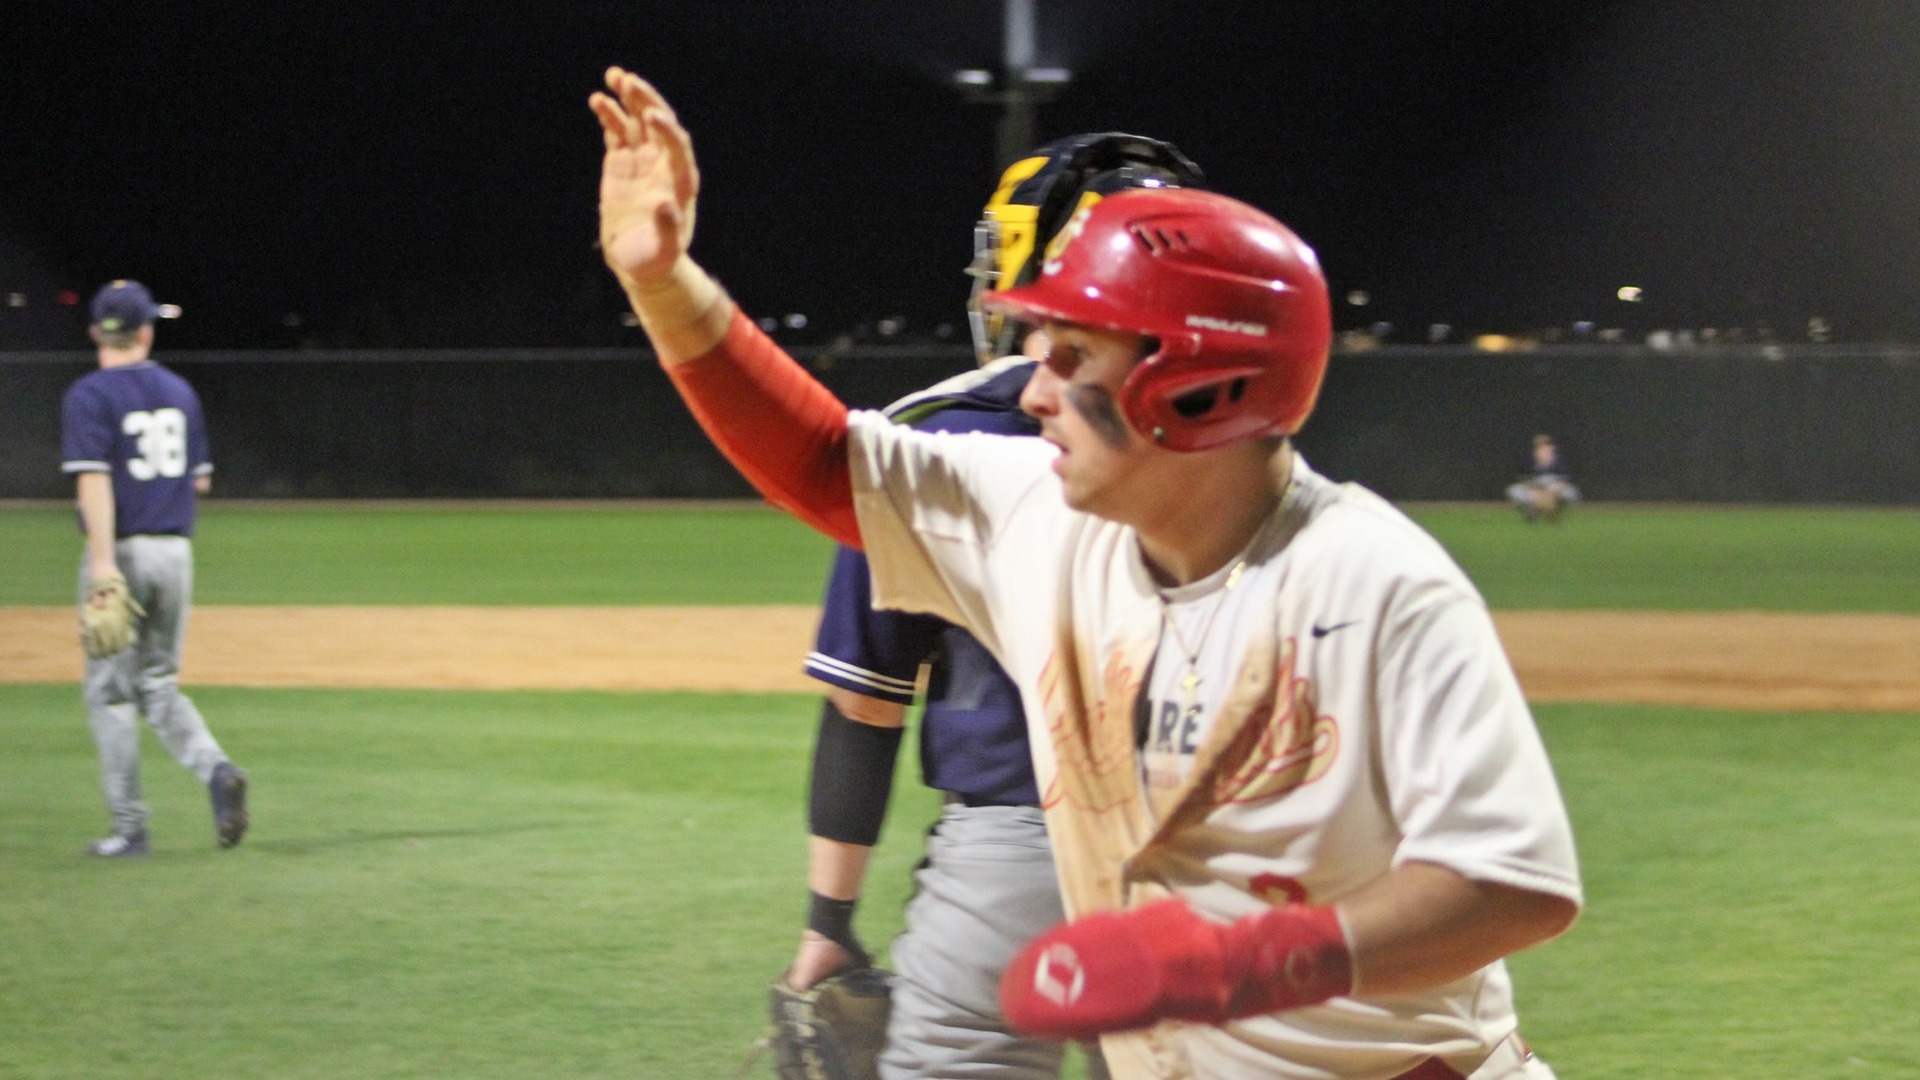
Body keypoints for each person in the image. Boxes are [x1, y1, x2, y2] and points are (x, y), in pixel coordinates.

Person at [591, 69, 1581, 1080]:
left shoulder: (1373, 584)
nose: (1033, 393)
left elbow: (1512, 884)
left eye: (1071, 354)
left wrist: (1229, 966)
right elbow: (818, 460)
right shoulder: (1040, 519)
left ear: (1199, 387)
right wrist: (662, 282)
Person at [785, 126, 1205, 1080]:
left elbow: (865, 701)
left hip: (1012, 851)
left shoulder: (937, 437)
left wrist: (829, 925)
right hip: (1209, 857)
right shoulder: (1246, 444)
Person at [60, 280, 248, 858]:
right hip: (176, 553)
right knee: (159, 684)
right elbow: (199, 481)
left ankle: (130, 828)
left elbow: (94, 480)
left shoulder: (89, 395)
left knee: (111, 695)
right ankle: (217, 771)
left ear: (97, 332)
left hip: (122, 552)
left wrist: (102, 567)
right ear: (144, 332)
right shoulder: (180, 391)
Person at [1505, 434, 1580, 523]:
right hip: (1535, 492)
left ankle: (1553, 511)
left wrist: (1553, 491)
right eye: (1540, 447)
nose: (1543, 450)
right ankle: (1536, 511)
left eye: (1546, 447)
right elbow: (1525, 481)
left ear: (1552, 448)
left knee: (1572, 494)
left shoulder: (1559, 462)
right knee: (1514, 491)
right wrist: (1537, 493)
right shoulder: (1529, 461)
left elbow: (1564, 480)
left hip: (1554, 492)